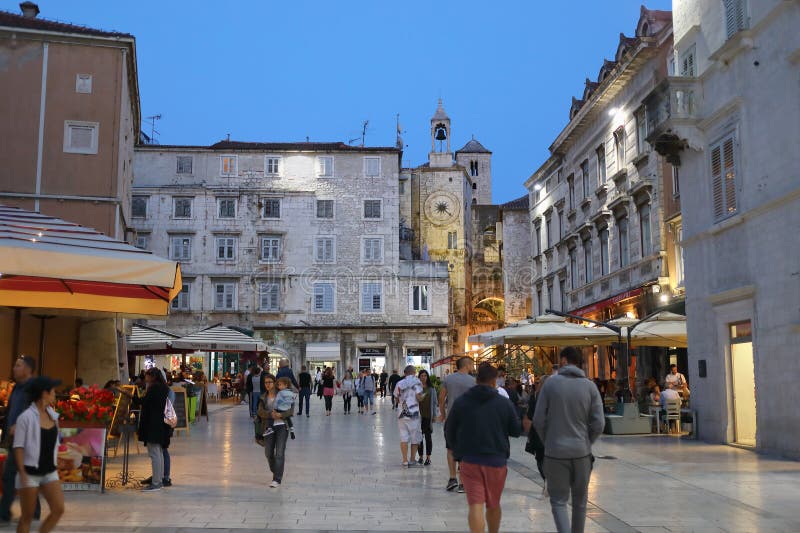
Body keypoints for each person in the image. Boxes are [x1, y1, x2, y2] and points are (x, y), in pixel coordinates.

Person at [533, 346, 605, 533]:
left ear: (564, 361)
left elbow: (538, 420)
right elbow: (599, 423)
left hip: (555, 452)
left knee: (558, 501)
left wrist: (548, 441)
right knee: (580, 502)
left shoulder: (550, 384)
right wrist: (587, 442)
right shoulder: (590, 386)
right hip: (582, 452)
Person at [445, 363, 521, 533]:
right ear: (494, 382)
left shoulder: (461, 402)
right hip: (496, 461)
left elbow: (449, 430)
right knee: (493, 504)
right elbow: (516, 430)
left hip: (470, 460)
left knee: (475, 505)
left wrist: (458, 452)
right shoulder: (504, 403)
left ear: (476, 379)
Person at [12, 376, 65, 533]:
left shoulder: (53, 415)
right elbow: (18, 447)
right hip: (30, 473)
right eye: (53, 390)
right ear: (44, 393)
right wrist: (22, 472)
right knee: (27, 518)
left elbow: (53, 442)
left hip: (49, 471)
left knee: (58, 509)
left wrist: (57, 458)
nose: (55, 393)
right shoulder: (25, 418)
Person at [0, 355, 41, 524]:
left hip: (28, 440)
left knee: (14, 476)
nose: (14, 368)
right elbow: (12, 411)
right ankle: (30, 512)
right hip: (15, 440)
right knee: (17, 476)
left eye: (18, 365)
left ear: (28, 369)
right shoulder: (17, 388)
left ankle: (5, 513)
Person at [438, 356, 475, 492]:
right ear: (467, 365)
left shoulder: (448, 379)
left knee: (450, 449)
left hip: (451, 419)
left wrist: (443, 414)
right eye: (472, 364)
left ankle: (452, 478)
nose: (473, 367)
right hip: (468, 420)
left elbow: (441, 398)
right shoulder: (473, 381)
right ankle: (463, 483)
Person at [138, 367, 172, 492]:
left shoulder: (154, 388)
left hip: (153, 424)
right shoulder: (164, 387)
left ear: (152, 376)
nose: (145, 378)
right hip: (160, 424)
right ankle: (159, 479)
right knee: (158, 453)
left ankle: (156, 482)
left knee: (154, 453)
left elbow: (145, 402)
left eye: (147, 375)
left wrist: (130, 396)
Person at [257, 374, 293, 488]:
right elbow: (260, 412)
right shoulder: (263, 397)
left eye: (270, 382)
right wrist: (270, 415)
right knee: (268, 453)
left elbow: (291, 410)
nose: (267, 384)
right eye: (265, 382)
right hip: (268, 426)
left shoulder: (283, 393)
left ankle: (277, 478)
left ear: (275, 383)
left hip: (282, 425)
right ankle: (277, 471)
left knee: (279, 453)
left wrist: (281, 415)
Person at [394, 365, 424, 468]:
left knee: (404, 437)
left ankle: (404, 460)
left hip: (401, 414)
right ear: (414, 372)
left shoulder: (399, 383)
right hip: (414, 414)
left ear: (405, 373)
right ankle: (412, 459)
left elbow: (396, 398)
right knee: (415, 437)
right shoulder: (417, 382)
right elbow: (419, 398)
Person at [523, 375, 549, 482]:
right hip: (553, 436)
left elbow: (530, 416)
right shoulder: (558, 396)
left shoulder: (535, 396)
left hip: (539, 435)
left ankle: (547, 481)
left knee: (540, 459)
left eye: (538, 383)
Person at [415, 369, 438, 466]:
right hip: (418, 417)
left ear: (427, 377)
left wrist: (435, 415)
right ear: (419, 377)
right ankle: (420, 457)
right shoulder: (416, 388)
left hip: (428, 416)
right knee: (419, 437)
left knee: (428, 437)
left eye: (425, 376)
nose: (423, 377)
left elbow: (435, 402)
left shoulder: (431, 389)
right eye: (422, 376)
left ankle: (428, 458)